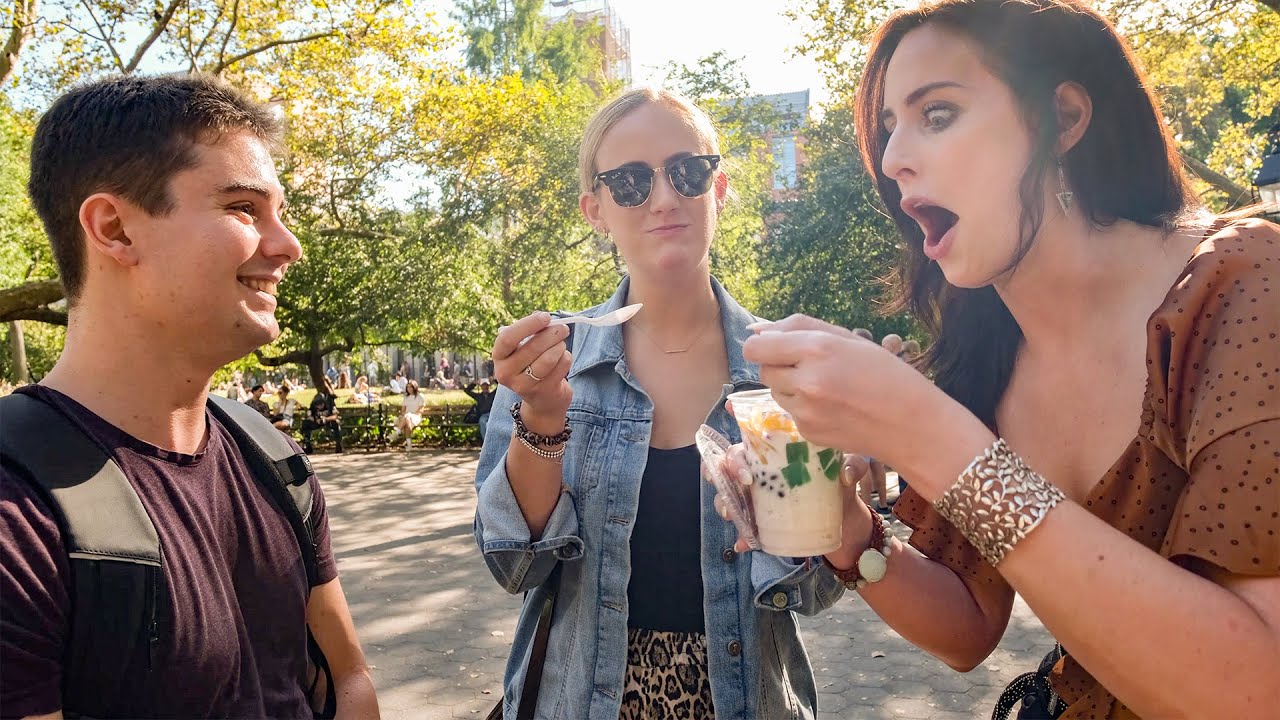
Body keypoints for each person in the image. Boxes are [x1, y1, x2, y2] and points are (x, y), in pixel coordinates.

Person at [719, 2, 1280, 718]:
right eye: (888, 130)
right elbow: (967, 626)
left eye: (940, 114)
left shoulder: (1243, 285)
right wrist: (847, 527)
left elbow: (1256, 689)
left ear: (1065, 119)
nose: (891, 162)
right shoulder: (983, 353)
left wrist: (927, 434)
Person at [0, 74, 377, 718]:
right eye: (243, 209)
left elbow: (348, 681)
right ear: (115, 229)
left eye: (279, 213)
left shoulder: (271, 457)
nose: (289, 246)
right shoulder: (19, 520)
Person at [474, 87, 845, 720]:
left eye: (687, 172)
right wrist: (540, 417)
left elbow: (812, 588)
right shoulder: (554, 366)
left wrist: (832, 503)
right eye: (630, 182)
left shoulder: (780, 369)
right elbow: (516, 566)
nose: (665, 197)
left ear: (718, 188)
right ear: (596, 210)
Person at [302, 379, 344, 454]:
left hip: (328, 420)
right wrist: (312, 418)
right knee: (305, 424)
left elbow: (335, 415)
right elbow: (309, 414)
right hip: (317, 421)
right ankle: (308, 446)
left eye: (320, 405)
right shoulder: (313, 404)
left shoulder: (330, 402)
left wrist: (326, 419)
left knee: (336, 423)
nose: (319, 407)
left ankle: (339, 445)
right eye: (317, 405)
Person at [388, 380, 426, 450]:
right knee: (407, 423)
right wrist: (405, 415)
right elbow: (403, 410)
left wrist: (411, 415)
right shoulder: (406, 397)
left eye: (411, 387)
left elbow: (421, 409)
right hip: (406, 417)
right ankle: (409, 445)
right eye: (408, 387)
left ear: (414, 387)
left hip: (416, 416)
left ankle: (397, 432)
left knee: (408, 417)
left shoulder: (420, 396)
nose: (409, 389)